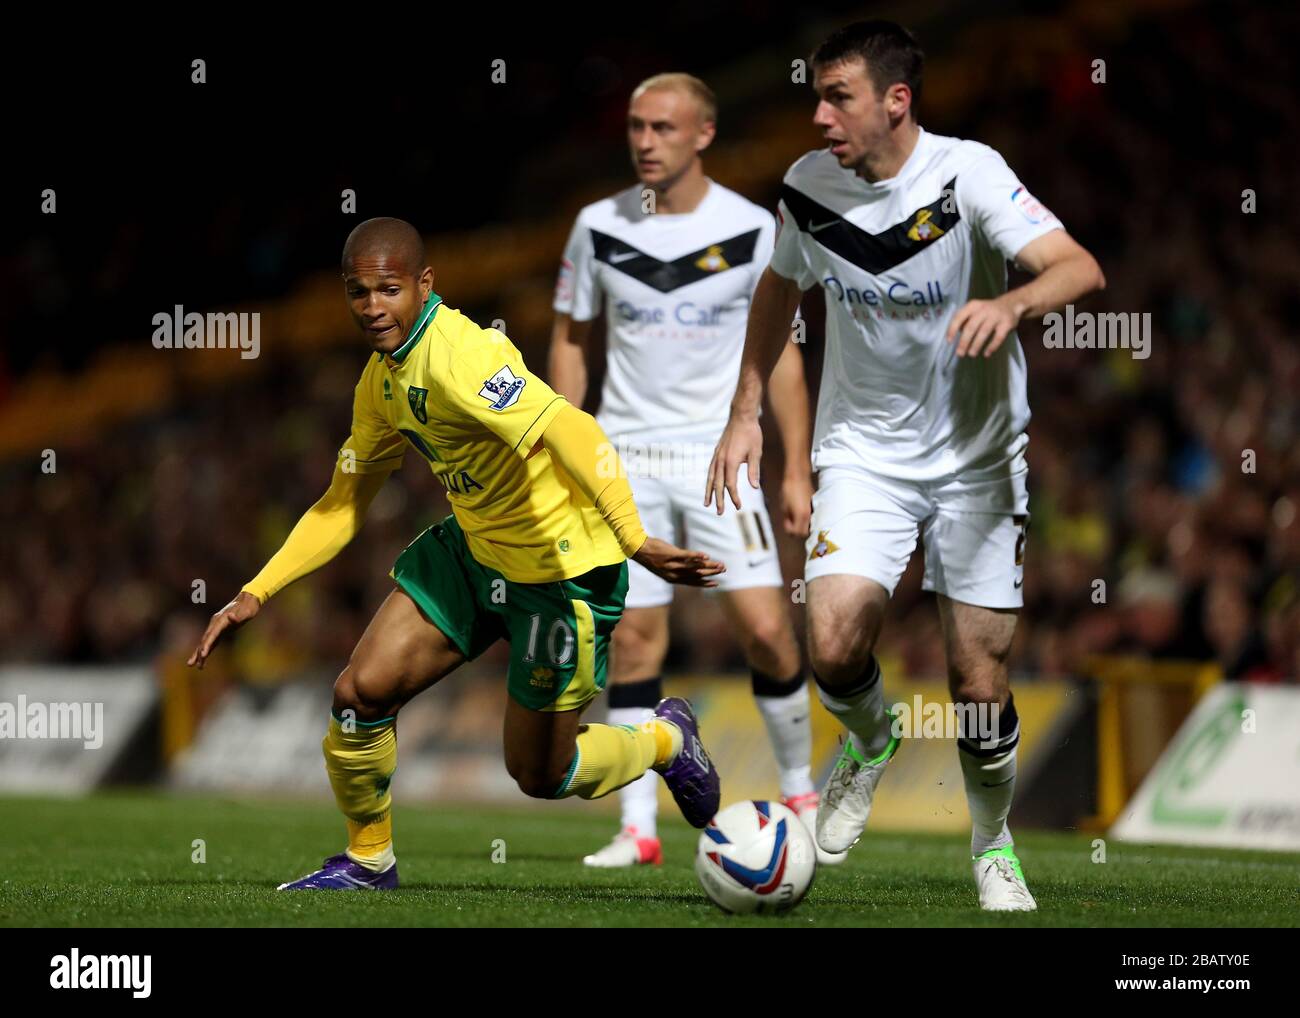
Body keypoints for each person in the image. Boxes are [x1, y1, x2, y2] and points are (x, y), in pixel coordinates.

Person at [188, 217, 724, 889]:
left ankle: (666, 742)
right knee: (359, 692)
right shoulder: (381, 383)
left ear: (423, 285)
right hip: (476, 552)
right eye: (359, 293)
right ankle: (368, 861)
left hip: (563, 575)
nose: (373, 308)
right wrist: (255, 592)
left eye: (388, 289)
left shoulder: (463, 357)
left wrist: (634, 538)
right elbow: (344, 501)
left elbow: (569, 426)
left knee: (540, 774)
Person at [707, 22, 1106, 910]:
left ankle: (992, 843)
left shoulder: (970, 174)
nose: (818, 116)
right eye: (815, 95)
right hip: (863, 455)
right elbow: (779, 286)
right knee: (835, 641)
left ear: (897, 100)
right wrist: (746, 417)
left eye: (837, 97)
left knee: (977, 682)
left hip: (977, 464)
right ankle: (873, 741)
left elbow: (1078, 268)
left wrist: (1013, 300)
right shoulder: (809, 189)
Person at [550, 73, 833, 867]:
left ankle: (800, 794)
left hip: (718, 455)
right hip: (624, 461)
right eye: (636, 126)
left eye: (663, 128)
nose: (645, 141)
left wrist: (794, 467)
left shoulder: (751, 230)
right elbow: (572, 337)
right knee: (635, 640)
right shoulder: (596, 226)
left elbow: (780, 357)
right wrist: (568, 444)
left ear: (704, 134)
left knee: (769, 629)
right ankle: (638, 828)